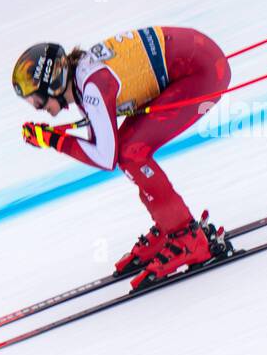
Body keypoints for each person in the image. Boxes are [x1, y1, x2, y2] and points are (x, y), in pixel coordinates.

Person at [12, 26, 231, 288]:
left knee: (132, 153)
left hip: (203, 73)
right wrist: (54, 137)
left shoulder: (91, 86)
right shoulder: (84, 80)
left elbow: (106, 157)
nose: (38, 109)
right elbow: (103, 143)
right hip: (197, 61)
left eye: (36, 101)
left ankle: (186, 237)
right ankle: (170, 224)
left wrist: (53, 140)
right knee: (129, 150)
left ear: (54, 83)